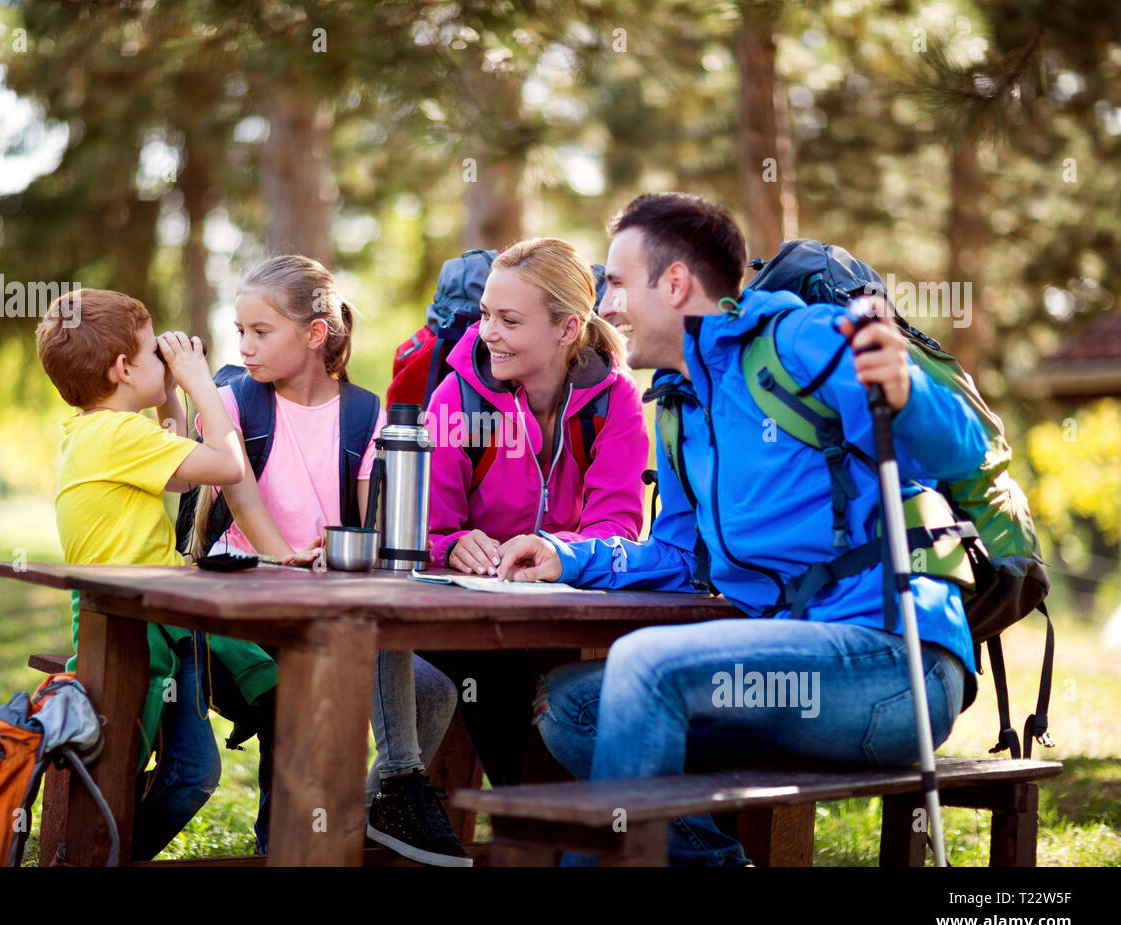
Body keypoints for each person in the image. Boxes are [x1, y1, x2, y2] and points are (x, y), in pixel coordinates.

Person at [497, 193, 987, 865]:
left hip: (895, 668)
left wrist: (911, 394)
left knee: (646, 667)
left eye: (614, 283)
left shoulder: (802, 341)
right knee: (572, 705)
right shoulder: (678, 409)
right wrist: (567, 556)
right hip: (793, 671)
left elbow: (964, 450)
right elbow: (675, 555)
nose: (604, 308)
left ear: (673, 284)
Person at [190, 255, 466, 866]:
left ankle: (362, 818)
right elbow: (239, 497)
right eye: (240, 332)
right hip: (240, 615)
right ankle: (293, 842)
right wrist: (288, 557)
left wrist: (342, 550)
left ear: (315, 333)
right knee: (309, 688)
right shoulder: (234, 404)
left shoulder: (366, 416)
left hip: (326, 607)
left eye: (261, 332)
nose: (246, 346)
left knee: (438, 690)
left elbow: (369, 528)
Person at [36, 288, 277, 861]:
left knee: (195, 768)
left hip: (156, 617)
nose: (163, 363)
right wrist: (201, 387)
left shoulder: (93, 432)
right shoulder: (116, 435)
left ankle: (105, 854)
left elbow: (180, 476)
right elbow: (224, 466)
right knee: (191, 772)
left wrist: (168, 393)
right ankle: (101, 856)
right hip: (139, 629)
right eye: (152, 355)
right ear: (123, 369)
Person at [418, 237, 650, 786]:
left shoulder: (616, 401)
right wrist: (451, 544)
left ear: (567, 328)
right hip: (469, 617)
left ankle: (564, 828)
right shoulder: (457, 397)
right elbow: (427, 525)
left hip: (567, 608)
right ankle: (540, 827)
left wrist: (556, 551)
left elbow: (615, 525)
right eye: (484, 315)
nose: (488, 333)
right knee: (494, 667)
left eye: (509, 320)